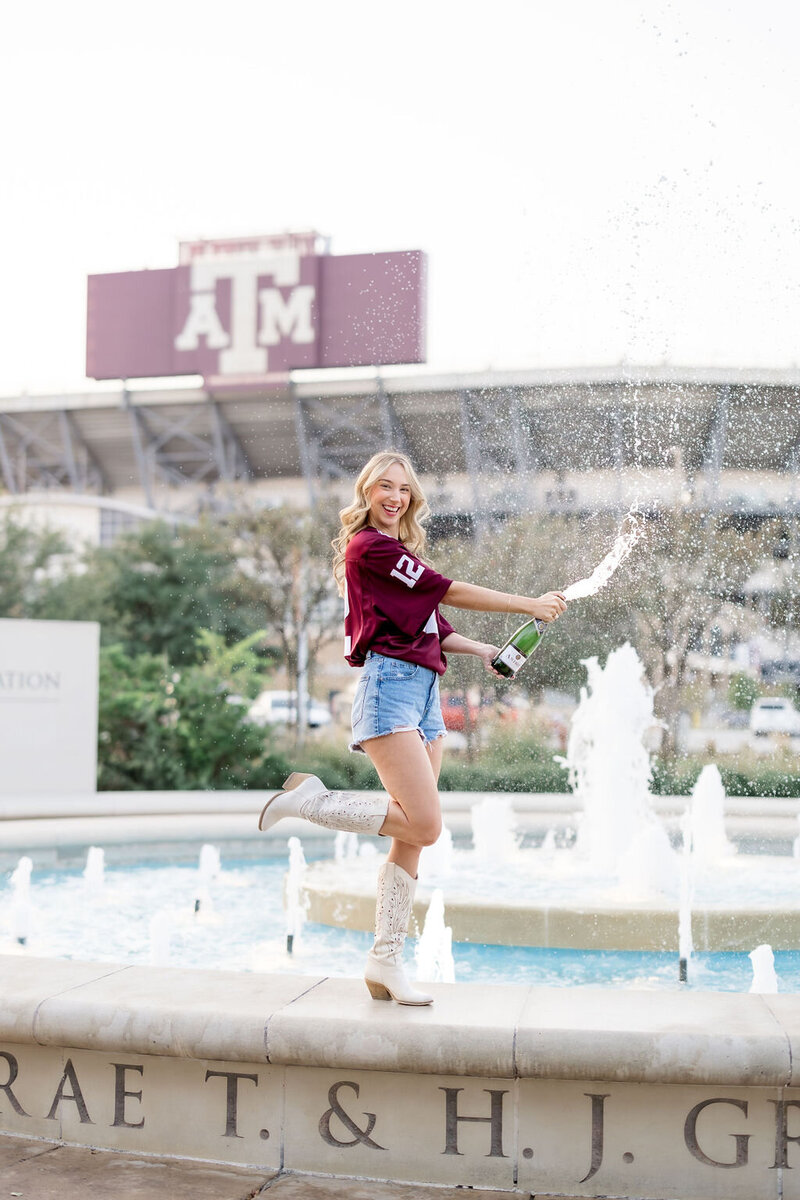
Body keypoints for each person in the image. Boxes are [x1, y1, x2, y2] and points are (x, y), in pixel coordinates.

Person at [257, 451, 566, 1005]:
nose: (395, 497)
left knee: (412, 838)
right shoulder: (370, 548)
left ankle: (385, 960)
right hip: (390, 688)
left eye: (403, 489)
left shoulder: (399, 557)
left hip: (424, 696)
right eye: (384, 487)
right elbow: (448, 590)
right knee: (425, 825)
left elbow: (436, 627)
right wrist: (529, 605)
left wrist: (485, 650)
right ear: (366, 493)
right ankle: (309, 801)